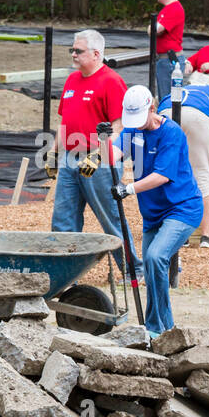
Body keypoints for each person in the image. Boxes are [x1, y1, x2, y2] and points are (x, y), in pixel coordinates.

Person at [112, 86, 204, 336]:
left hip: (182, 208)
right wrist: (96, 153)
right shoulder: (133, 129)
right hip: (152, 213)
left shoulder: (171, 133)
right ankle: (155, 328)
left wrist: (128, 188)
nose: (137, 125)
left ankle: (166, 329)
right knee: (153, 272)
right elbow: (114, 153)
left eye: (141, 118)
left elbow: (162, 176)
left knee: (154, 257)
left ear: (152, 108)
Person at [51, 28, 139, 273]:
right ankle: (64, 274)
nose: (73, 55)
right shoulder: (72, 80)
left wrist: (98, 154)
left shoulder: (111, 81)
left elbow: (119, 126)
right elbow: (64, 122)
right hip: (70, 159)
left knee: (110, 219)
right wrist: (53, 153)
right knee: (63, 220)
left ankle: (133, 271)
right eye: (72, 50)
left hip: (98, 161)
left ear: (96, 53)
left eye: (78, 51)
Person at [157, 83, 209, 249]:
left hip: (166, 112)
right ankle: (206, 236)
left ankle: (178, 235)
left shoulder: (187, 89)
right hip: (198, 118)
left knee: (171, 174)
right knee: (204, 175)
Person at [153, 0, 185, 73]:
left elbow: (156, 30)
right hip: (165, 60)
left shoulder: (174, 8)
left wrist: (151, 28)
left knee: (167, 89)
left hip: (169, 61)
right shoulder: (167, 9)